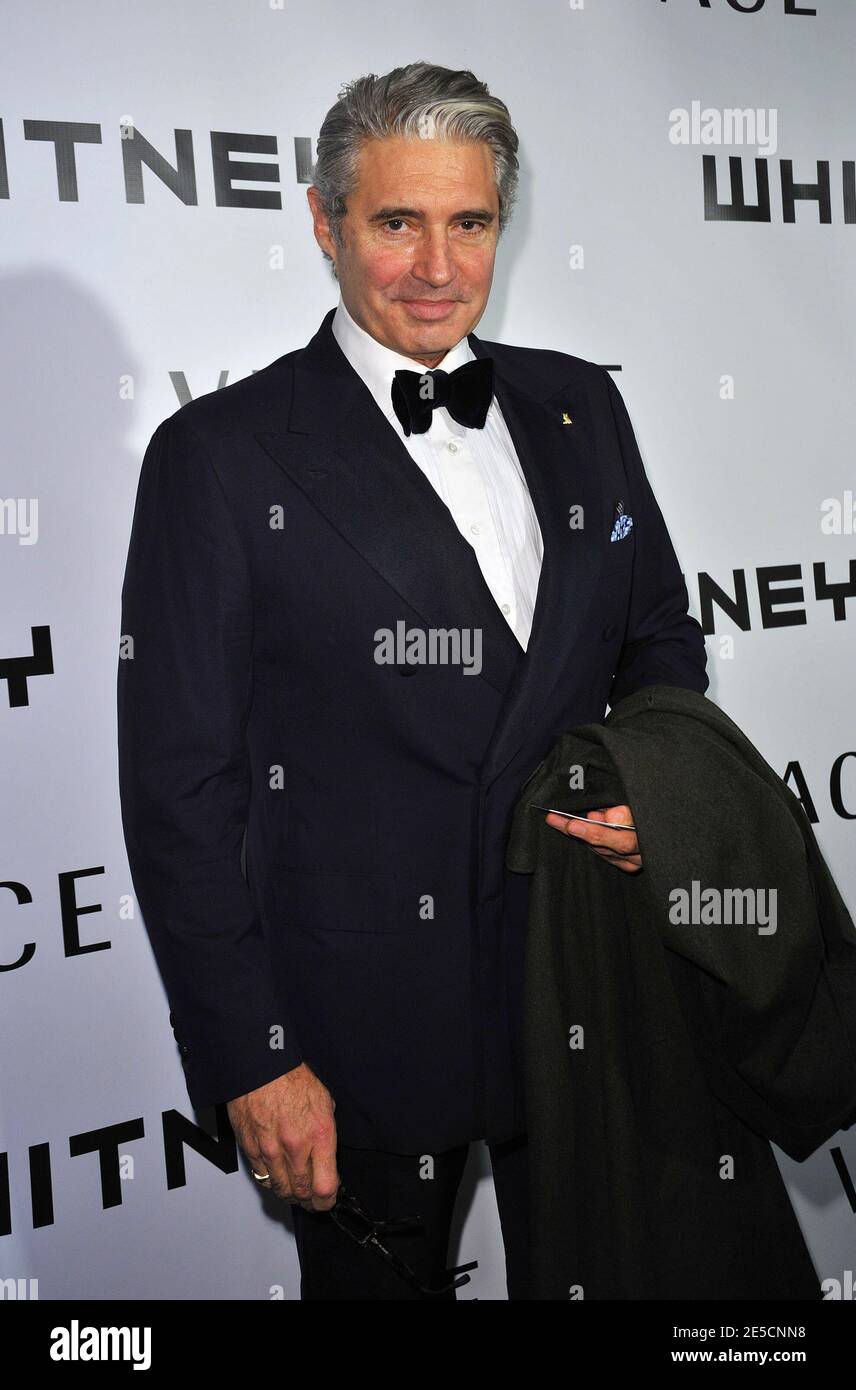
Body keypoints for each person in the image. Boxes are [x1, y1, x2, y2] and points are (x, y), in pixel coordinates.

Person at [117, 60, 708, 1300]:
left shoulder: (577, 406)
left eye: (470, 223)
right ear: (326, 224)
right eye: (396, 223)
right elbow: (180, 789)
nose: (437, 268)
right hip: (355, 1038)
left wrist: (651, 782)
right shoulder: (218, 459)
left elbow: (657, 633)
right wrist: (254, 1055)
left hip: (578, 982)